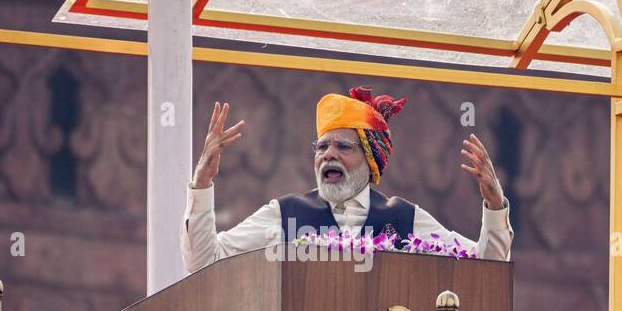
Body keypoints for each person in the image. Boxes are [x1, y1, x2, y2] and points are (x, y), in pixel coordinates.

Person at [180, 86, 514, 272]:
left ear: (370, 160)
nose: (328, 154)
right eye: (321, 146)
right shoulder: (285, 214)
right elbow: (204, 262)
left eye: (343, 146)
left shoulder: (404, 219)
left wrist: (495, 206)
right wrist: (202, 183)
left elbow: (487, 269)